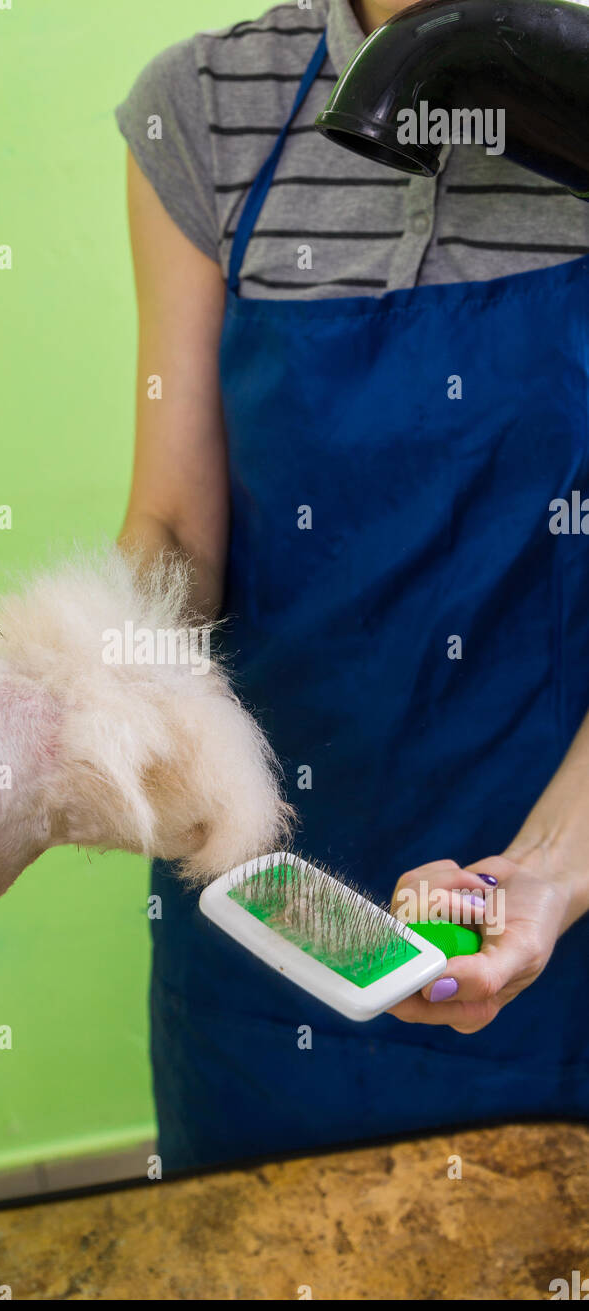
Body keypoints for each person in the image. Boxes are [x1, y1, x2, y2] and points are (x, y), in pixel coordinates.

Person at [113, 0, 589, 1172]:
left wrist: (547, 870)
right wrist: (90, 713)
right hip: (266, 902)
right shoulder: (208, 108)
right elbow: (175, 530)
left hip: (556, 883)